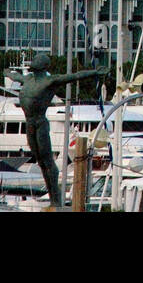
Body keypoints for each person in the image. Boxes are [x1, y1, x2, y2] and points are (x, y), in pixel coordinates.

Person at [18, 53, 106, 207]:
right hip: (29, 123)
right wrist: (6, 72)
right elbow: (14, 76)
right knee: (40, 162)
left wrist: (94, 72)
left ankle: (55, 201)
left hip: (40, 123)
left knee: (48, 162)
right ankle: (54, 201)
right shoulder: (28, 80)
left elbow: (74, 76)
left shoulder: (49, 81)